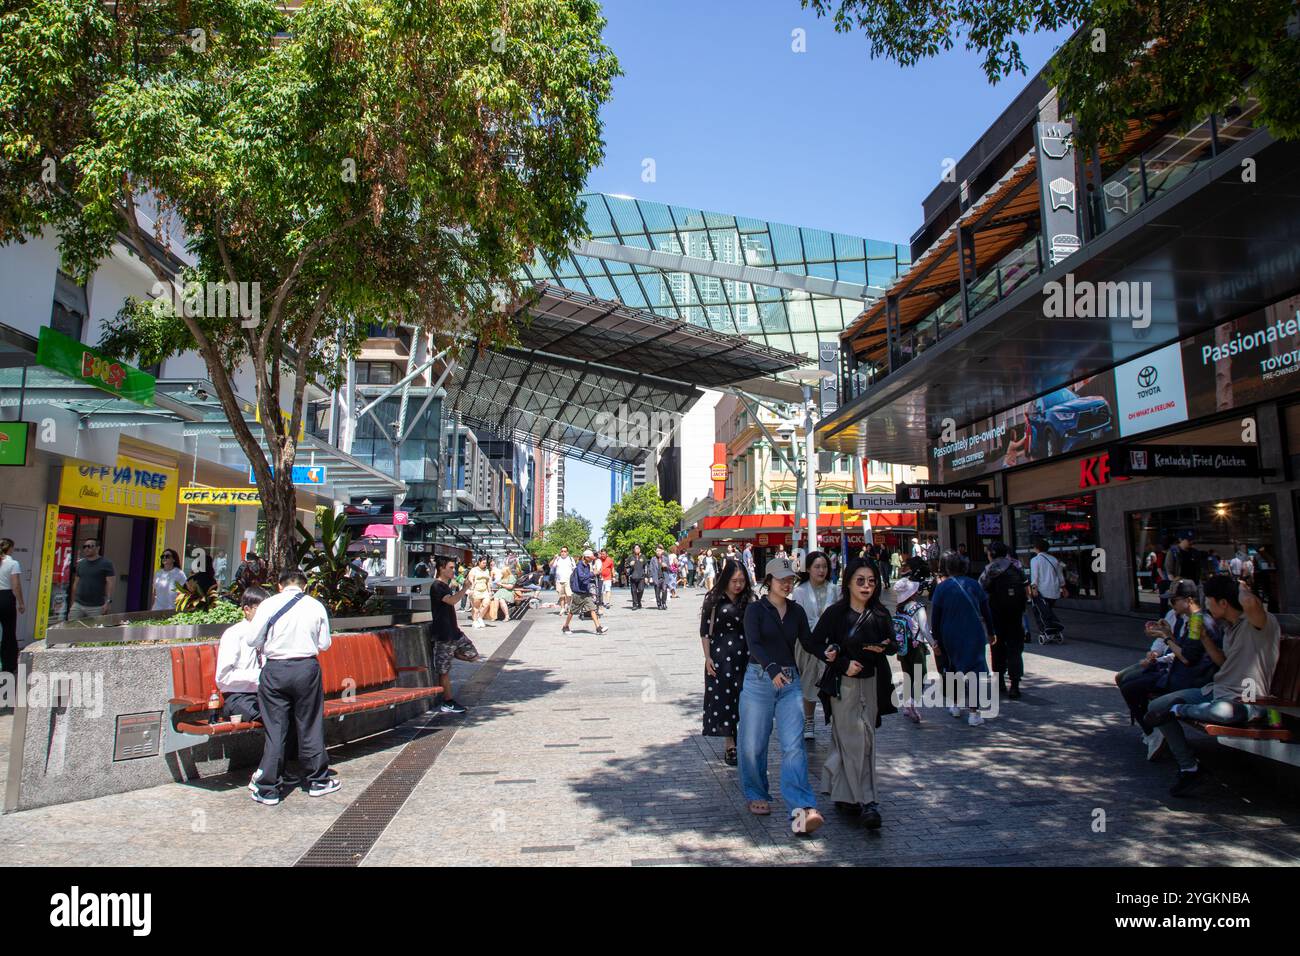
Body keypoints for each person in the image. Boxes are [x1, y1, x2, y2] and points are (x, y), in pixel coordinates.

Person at [1143, 577, 1281, 796]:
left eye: (1208, 599)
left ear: (1223, 602)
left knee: (1220, 712)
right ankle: (1190, 768)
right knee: (1156, 707)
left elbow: (1254, 605)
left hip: (1248, 700)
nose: (1205, 605)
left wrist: (1241, 588)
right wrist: (1205, 638)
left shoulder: (1258, 624)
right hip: (1215, 691)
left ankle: (1178, 710)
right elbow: (1224, 663)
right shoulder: (1228, 628)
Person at [804, 557, 898, 828]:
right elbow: (813, 643)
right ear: (848, 582)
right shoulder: (836, 613)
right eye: (860, 581)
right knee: (853, 741)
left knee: (866, 740)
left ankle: (850, 794)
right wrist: (841, 662)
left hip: (872, 684)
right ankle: (867, 800)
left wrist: (884, 646)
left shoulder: (880, 614)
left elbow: (892, 646)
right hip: (843, 687)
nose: (866, 586)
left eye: (871, 581)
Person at [739, 556, 824, 835]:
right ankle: (756, 793)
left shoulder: (796, 612)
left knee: (793, 745)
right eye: (782, 579)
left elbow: (809, 642)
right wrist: (772, 668)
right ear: (769, 581)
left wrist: (829, 653)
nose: (787, 584)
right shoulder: (755, 610)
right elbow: (755, 644)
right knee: (753, 744)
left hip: (789, 682)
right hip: (759, 679)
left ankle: (802, 810)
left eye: (790, 580)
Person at [246, 569, 338, 805]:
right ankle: (318, 780)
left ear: (279, 585)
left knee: (275, 728)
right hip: (306, 668)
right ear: (305, 586)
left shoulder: (267, 605)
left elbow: (252, 639)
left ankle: (269, 788)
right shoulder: (316, 606)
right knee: (309, 723)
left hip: (275, 669)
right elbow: (324, 644)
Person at [1116, 580, 1220, 734]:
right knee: (1129, 683)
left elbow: (1186, 657)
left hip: (1187, 679)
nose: (1172, 605)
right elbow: (1186, 649)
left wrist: (1167, 638)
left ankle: (1152, 733)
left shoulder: (1197, 622)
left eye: (1174, 600)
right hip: (1181, 674)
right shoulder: (1196, 619)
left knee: (1131, 689)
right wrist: (1168, 634)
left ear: (1189, 600)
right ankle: (1153, 732)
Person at [930, 550, 993, 725]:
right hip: (974, 633)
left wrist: (936, 639)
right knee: (974, 672)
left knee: (952, 669)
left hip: (949, 634)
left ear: (948, 568)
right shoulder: (974, 584)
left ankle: (955, 705)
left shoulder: (942, 587)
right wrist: (992, 632)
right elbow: (986, 611)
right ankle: (974, 713)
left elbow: (935, 616)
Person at [701, 558, 752, 767]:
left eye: (741, 581)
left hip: (746, 655)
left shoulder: (749, 600)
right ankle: (730, 744)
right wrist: (707, 657)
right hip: (720, 656)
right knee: (724, 700)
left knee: (746, 700)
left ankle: (745, 741)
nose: (738, 585)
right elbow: (705, 631)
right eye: (734, 581)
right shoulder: (713, 599)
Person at [428, 555, 480, 716]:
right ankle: (447, 701)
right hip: (443, 634)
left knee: (473, 655)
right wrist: (464, 589)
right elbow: (451, 601)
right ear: (441, 568)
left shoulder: (446, 585)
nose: (453, 571)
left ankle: (451, 654)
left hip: (454, 632)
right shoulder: (437, 586)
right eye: (450, 568)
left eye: (453, 568)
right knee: (444, 670)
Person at [791, 551, 834, 742]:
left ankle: (836, 720)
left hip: (830, 645)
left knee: (831, 683)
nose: (821, 570)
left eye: (824, 566)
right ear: (808, 569)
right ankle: (809, 720)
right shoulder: (800, 591)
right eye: (817, 566)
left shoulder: (835, 589)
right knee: (808, 682)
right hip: (807, 645)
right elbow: (798, 620)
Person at [979, 542, 1029, 699]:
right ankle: (1015, 684)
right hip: (1015, 614)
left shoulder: (990, 569)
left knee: (997, 646)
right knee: (1015, 648)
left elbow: (981, 589)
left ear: (991, 554)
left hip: (996, 614)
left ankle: (1000, 680)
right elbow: (1026, 587)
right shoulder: (1016, 567)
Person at [216, 586, 268, 722]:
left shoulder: (269, 633)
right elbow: (223, 677)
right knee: (273, 715)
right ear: (247, 610)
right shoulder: (234, 634)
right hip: (238, 697)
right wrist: (259, 676)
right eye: (261, 610)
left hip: (264, 695)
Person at [892, 575, 933, 724]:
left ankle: (907, 704)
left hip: (903, 647)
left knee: (908, 675)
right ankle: (912, 704)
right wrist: (934, 644)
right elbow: (925, 629)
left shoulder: (899, 608)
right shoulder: (918, 608)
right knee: (920, 675)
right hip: (917, 647)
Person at [68, 538, 115, 620]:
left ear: (97, 548)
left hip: (96, 607)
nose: (86, 548)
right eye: (84, 546)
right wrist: (72, 603)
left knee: (94, 631)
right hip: (78, 605)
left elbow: (110, 583)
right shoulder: (80, 563)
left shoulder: (106, 563)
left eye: (90, 546)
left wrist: (108, 602)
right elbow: (76, 583)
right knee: (72, 628)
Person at [562, 550, 608, 634]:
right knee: (572, 611)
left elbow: (586, 577)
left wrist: (592, 575)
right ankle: (565, 626)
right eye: (591, 558)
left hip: (586, 592)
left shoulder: (587, 566)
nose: (592, 559)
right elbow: (582, 577)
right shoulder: (580, 565)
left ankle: (598, 628)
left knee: (592, 609)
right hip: (579, 593)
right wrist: (593, 574)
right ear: (586, 557)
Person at [1028, 538, 1066, 637]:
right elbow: (1060, 575)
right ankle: (1053, 630)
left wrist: (1034, 588)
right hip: (1054, 591)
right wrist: (1063, 588)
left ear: (1036, 548)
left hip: (1042, 591)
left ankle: (1046, 630)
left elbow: (1035, 576)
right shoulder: (1054, 559)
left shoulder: (1035, 560)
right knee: (1047, 610)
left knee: (1039, 612)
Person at [0, 538, 25, 675]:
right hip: (5, 598)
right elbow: (16, 585)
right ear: (10, 548)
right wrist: (21, 603)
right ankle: (8, 666)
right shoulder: (13, 563)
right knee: (9, 633)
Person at [467, 555, 493, 629]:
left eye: (485, 563)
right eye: (483, 563)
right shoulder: (474, 570)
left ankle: (480, 617)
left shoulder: (487, 570)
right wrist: (472, 586)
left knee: (486, 604)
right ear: (479, 562)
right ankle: (475, 621)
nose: (485, 564)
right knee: (476, 607)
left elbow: (487, 581)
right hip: (476, 589)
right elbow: (470, 578)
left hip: (484, 590)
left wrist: (490, 591)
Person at [551, 546, 576, 615]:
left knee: (569, 595)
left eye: (565, 551)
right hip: (559, 580)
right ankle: (562, 608)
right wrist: (554, 558)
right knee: (561, 595)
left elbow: (575, 569)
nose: (563, 553)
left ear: (567, 552)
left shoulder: (571, 559)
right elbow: (551, 565)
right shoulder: (558, 559)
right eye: (562, 551)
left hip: (568, 580)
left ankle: (567, 607)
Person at [625, 544, 647, 609]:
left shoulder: (643, 557)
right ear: (633, 550)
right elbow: (626, 566)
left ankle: (638, 600)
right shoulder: (630, 557)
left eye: (638, 548)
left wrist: (646, 576)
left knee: (641, 590)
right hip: (633, 576)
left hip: (641, 577)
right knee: (633, 591)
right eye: (636, 548)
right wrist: (630, 564)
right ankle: (635, 604)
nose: (637, 549)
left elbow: (646, 566)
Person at [648, 545, 671, 610]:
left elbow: (670, 569)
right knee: (657, 592)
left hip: (664, 577)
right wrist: (651, 577)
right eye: (657, 551)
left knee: (664, 590)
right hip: (656, 578)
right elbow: (651, 569)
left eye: (659, 551)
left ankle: (664, 603)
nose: (658, 552)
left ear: (662, 551)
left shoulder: (666, 558)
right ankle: (659, 604)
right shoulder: (653, 559)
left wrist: (666, 566)